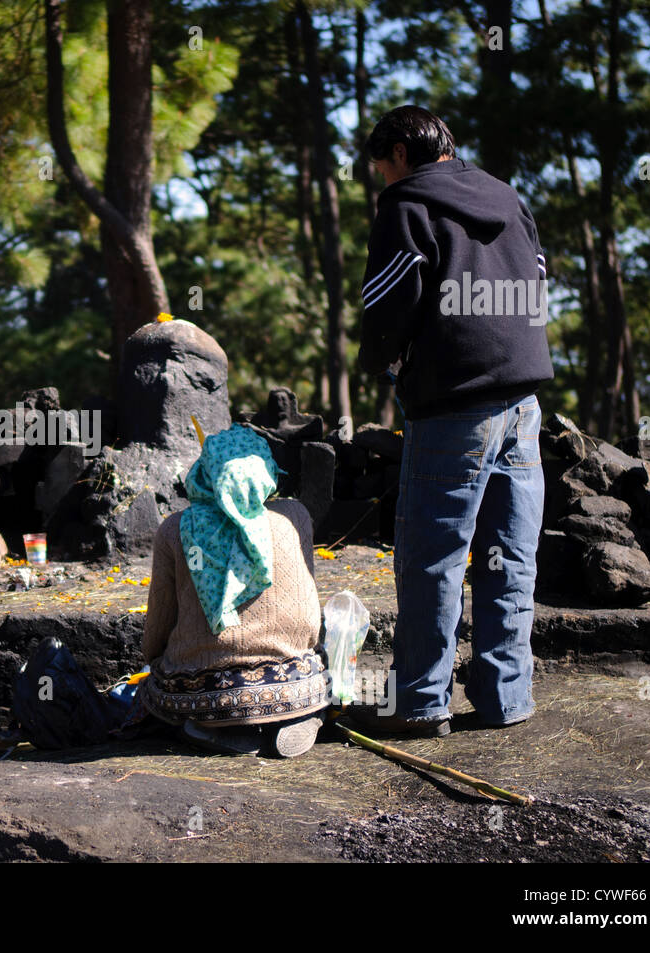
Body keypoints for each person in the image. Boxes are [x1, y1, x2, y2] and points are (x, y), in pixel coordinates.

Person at [353, 105, 553, 736]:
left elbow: (390, 302)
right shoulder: (505, 194)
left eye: (382, 166)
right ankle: (504, 699)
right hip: (523, 402)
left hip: (453, 405)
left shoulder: (406, 203)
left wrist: (384, 365)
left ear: (402, 156)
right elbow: (539, 279)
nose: (383, 179)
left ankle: (418, 701)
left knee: (433, 556)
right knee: (510, 556)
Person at [138, 424, 329, 758]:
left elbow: (159, 622)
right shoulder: (295, 514)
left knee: (151, 689)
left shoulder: (174, 528)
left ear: (205, 473)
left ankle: (211, 726)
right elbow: (309, 613)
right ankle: (301, 715)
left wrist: (153, 659)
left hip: (206, 691)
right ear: (266, 469)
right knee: (321, 672)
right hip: (292, 680)